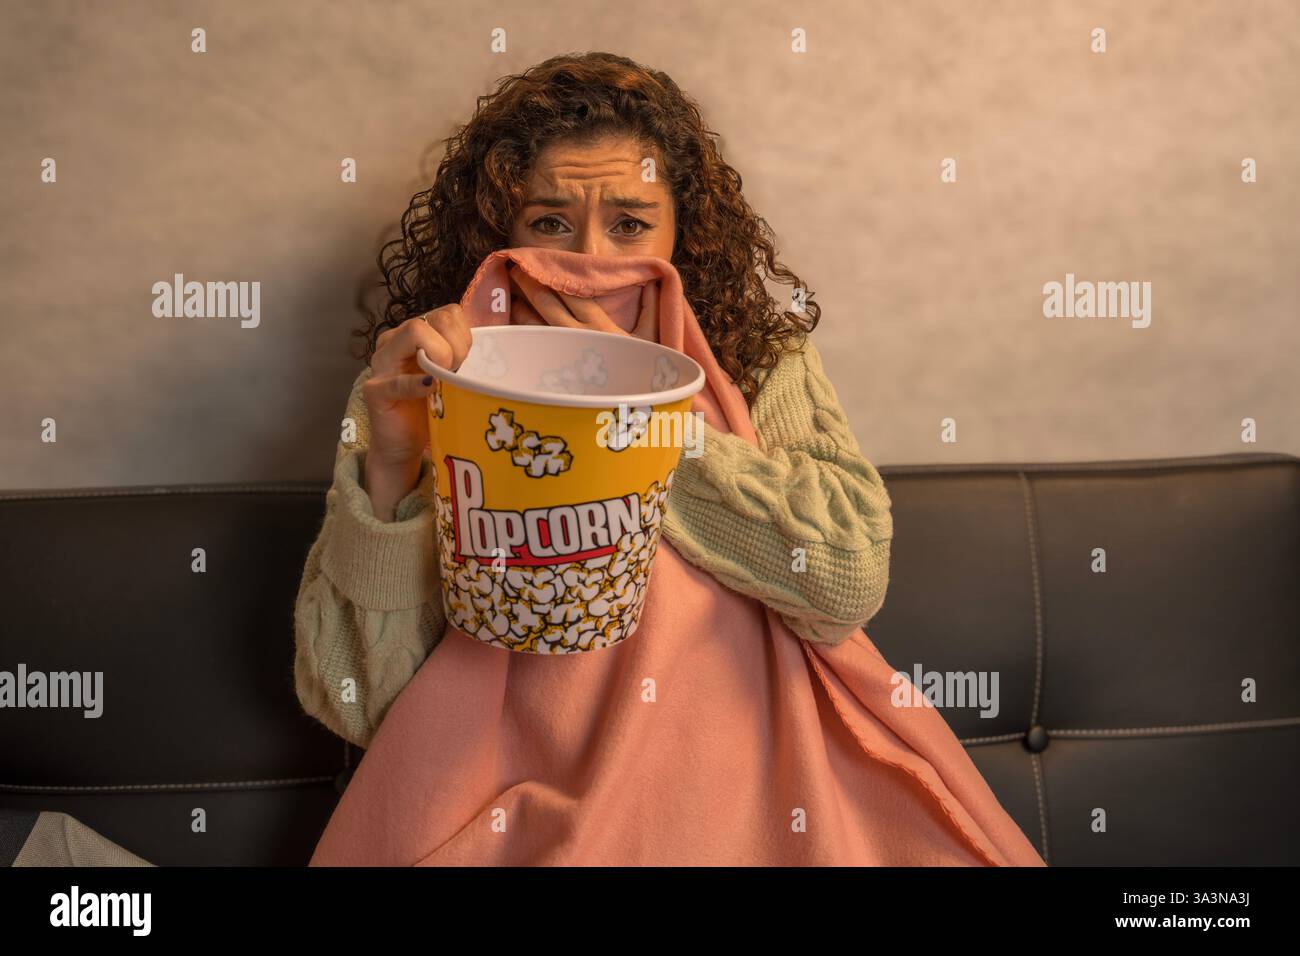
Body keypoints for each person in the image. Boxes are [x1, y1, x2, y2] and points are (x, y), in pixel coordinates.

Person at [293, 52, 1044, 867]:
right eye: (548, 224)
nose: (590, 258)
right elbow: (355, 700)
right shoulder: (427, 374)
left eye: (629, 224)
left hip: (760, 796)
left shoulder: (762, 361)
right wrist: (395, 460)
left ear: (683, 231)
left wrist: (641, 412)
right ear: (499, 236)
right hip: (522, 813)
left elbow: (847, 576)